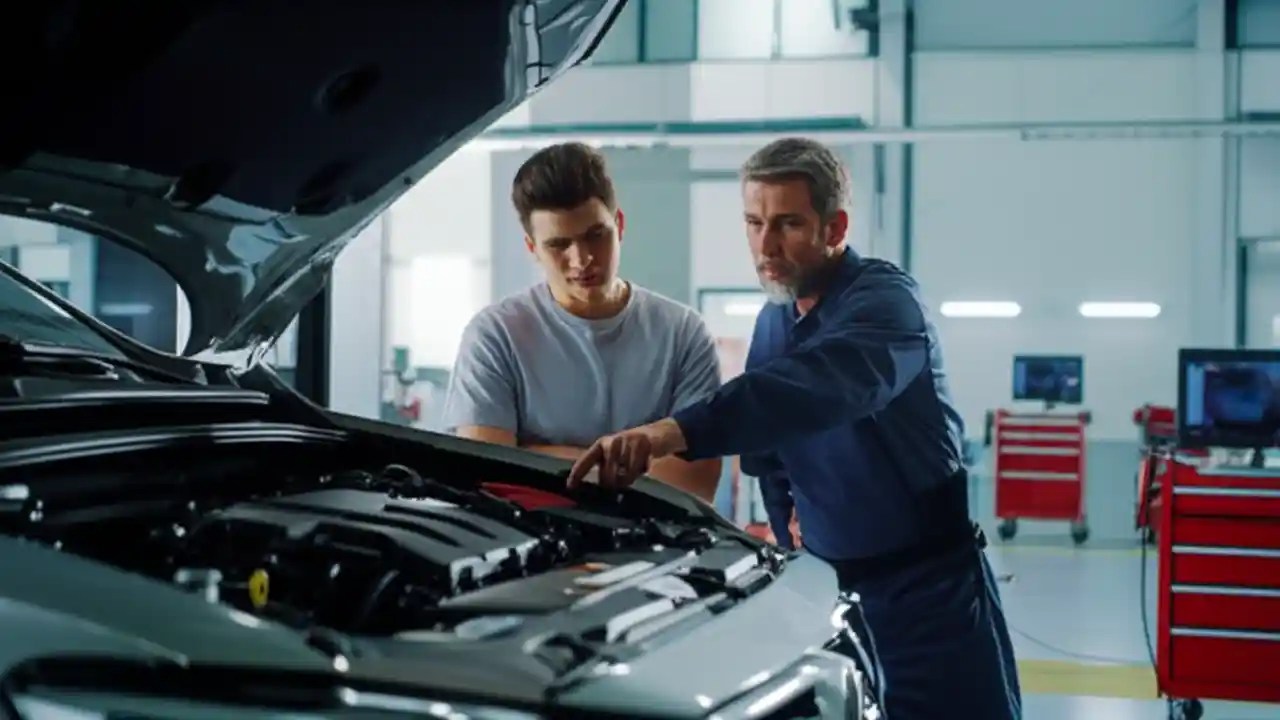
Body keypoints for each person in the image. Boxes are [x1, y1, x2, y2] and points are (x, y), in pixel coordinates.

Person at [566, 137, 1022, 719]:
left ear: (835, 227)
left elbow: (814, 390)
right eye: (753, 222)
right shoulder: (774, 321)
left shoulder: (886, 304)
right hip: (832, 596)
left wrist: (667, 432)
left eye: (788, 224)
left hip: (929, 597)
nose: (765, 244)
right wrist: (786, 541)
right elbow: (767, 456)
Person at [441, 141, 723, 502]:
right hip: (532, 546)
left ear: (618, 225)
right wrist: (639, 466)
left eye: (596, 235)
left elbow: (694, 485)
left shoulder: (683, 334)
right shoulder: (495, 336)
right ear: (533, 248)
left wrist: (533, 454)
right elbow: (485, 474)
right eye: (559, 244)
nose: (582, 259)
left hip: (658, 549)